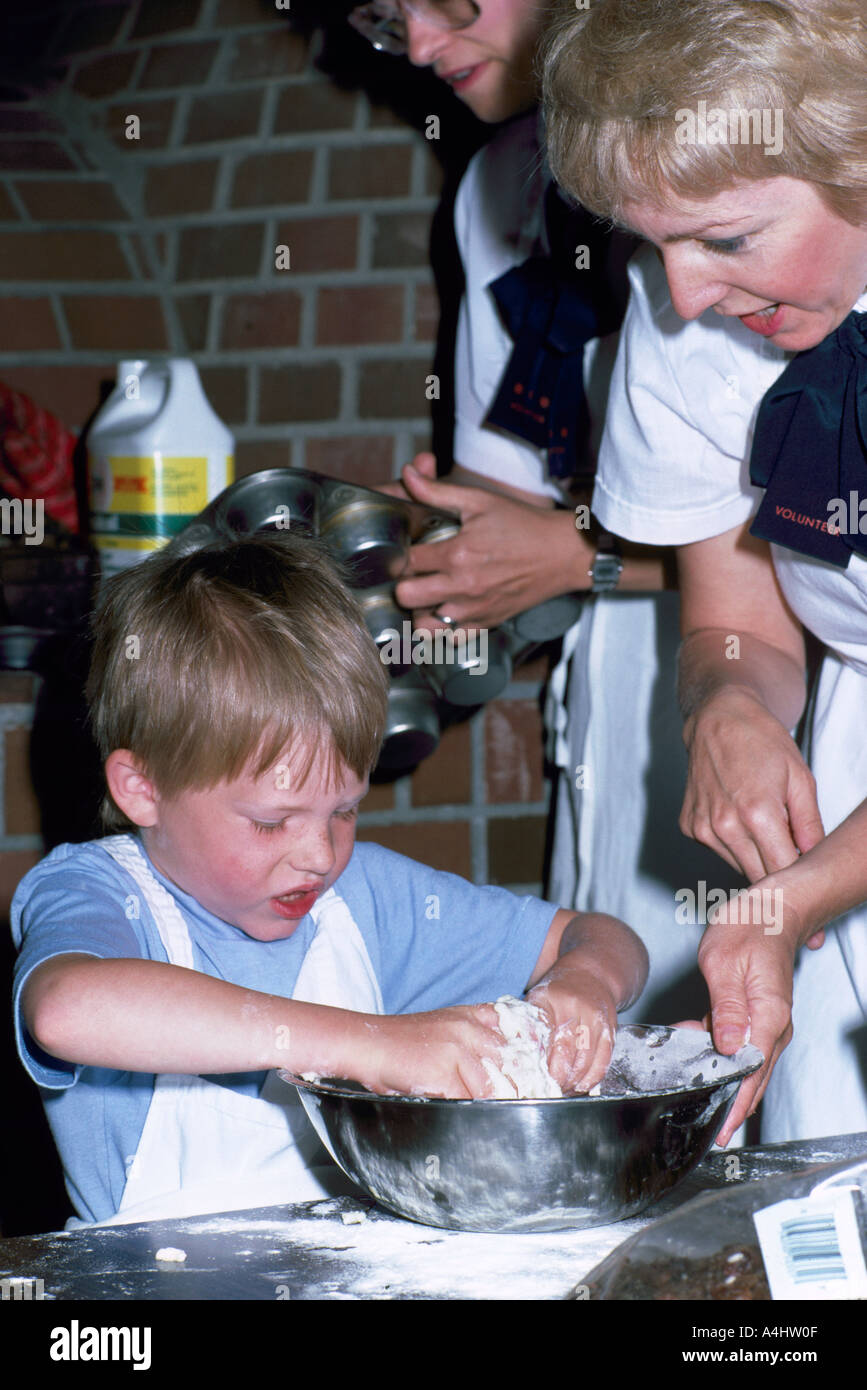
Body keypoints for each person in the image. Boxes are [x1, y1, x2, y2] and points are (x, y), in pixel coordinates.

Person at [10, 531, 647, 1227]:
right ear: (143, 789)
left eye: (344, 809)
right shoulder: (101, 892)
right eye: (269, 821)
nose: (318, 853)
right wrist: (374, 1043)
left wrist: (585, 983)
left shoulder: (365, 901)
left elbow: (600, 935)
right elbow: (65, 1008)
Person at [348, 0, 744, 1033]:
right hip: (612, 702)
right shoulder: (496, 187)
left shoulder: (734, 142)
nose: (426, 47)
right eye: (393, 22)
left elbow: (818, 519)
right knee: (609, 1034)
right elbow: (515, 502)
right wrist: (433, 557)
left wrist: (579, 560)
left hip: (775, 692)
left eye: (454, 4)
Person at [543, 0, 867, 1143]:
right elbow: (740, 607)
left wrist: (798, 895)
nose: (682, 299)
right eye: (654, 243)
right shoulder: (686, 305)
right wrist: (728, 697)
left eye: (728, 240)